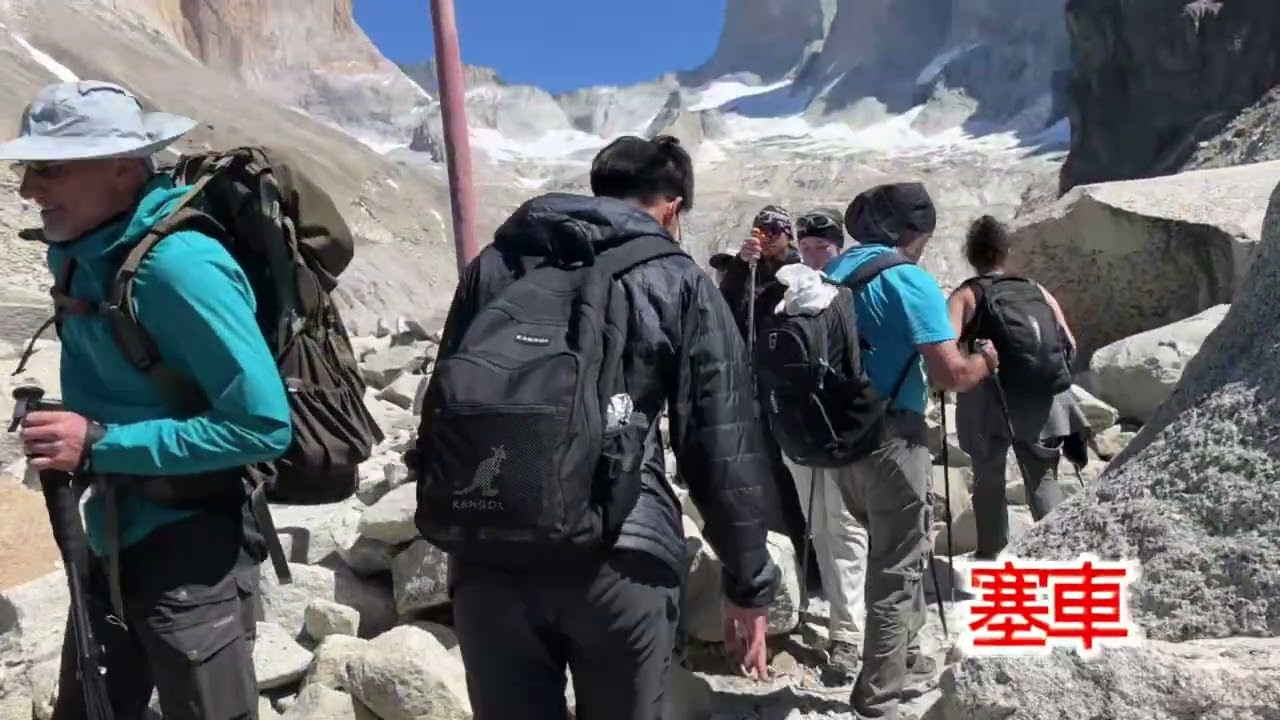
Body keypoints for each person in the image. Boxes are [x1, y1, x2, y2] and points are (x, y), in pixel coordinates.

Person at [412, 135, 780, 720]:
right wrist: (748, 582)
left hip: (490, 551)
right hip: (621, 556)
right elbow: (718, 442)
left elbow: (444, 405)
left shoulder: (495, 265)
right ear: (672, 208)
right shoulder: (678, 277)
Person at [4, 81, 291, 718]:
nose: (28, 189)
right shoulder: (81, 256)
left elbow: (263, 425)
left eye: (48, 169)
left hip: (189, 554)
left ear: (122, 167)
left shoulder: (180, 266)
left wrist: (101, 443)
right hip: (107, 538)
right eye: (28, 169)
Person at [824, 183, 999, 720]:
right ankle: (877, 698)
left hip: (837, 440)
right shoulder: (907, 279)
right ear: (913, 234)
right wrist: (986, 359)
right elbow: (950, 375)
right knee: (895, 571)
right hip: (893, 441)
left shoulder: (830, 275)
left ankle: (907, 657)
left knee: (889, 551)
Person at [947, 215, 1091, 559]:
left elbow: (948, 353)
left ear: (971, 255)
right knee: (1043, 478)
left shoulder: (965, 296)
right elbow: (1068, 343)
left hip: (987, 401)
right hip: (1041, 398)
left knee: (988, 478)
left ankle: (992, 559)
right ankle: (1059, 560)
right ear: (1004, 252)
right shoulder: (1034, 289)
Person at [772, 207, 870, 679]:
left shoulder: (784, 297)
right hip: (821, 434)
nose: (813, 258)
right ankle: (845, 628)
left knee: (838, 528)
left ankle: (846, 630)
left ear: (838, 247)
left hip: (800, 434)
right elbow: (853, 369)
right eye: (806, 248)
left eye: (821, 249)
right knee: (834, 528)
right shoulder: (831, 298)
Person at [716, 205, 813, 576]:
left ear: (787, 233)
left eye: (774, 229)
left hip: (792, 391)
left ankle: (811, 559)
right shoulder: (750, 272)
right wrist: (741, 267)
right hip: (755, 389)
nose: (766, 236)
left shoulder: (798, 274)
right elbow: (724, 312)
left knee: (796, 477)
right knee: (764, 474)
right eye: (761, 228)